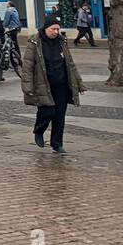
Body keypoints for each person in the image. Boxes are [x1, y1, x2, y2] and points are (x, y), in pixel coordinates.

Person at [21, 12, 86, 154]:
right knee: (47, 111)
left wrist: (79, 84)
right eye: (53, 29)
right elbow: (27, 66)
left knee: (59, 115)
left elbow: (70, 64)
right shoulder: (35, 43)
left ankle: (57, 144)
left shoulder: (61, 42)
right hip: (44, 84)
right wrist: (27, 86)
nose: (56, 32)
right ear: (46, 28)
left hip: (61, 84)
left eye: (57, 29)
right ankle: (39, 130)